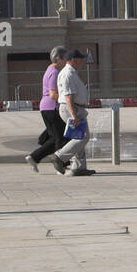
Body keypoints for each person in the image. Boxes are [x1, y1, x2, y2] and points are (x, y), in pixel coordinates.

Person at [54, 48, 95, 176]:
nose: (82, 61)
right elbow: (68, 96)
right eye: (80, 58)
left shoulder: (72, 72)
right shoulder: (68, 74)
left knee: (78, 137)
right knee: (82, 137)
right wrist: (74, 115)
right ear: (73, 60)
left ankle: (79, 167)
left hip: (76, 108)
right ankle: (60, 157)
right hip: (72, 108)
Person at [25, 46, 67, 171]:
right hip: (52, 108)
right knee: (60, 138)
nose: (67, 61)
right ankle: (62, 165)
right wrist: (68, 99)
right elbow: (53, 94)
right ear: (59, 59)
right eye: (66, 58)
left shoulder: (50, 70)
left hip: (46, 107)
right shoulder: (54, 72)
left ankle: (35, 157)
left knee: (55, 137)